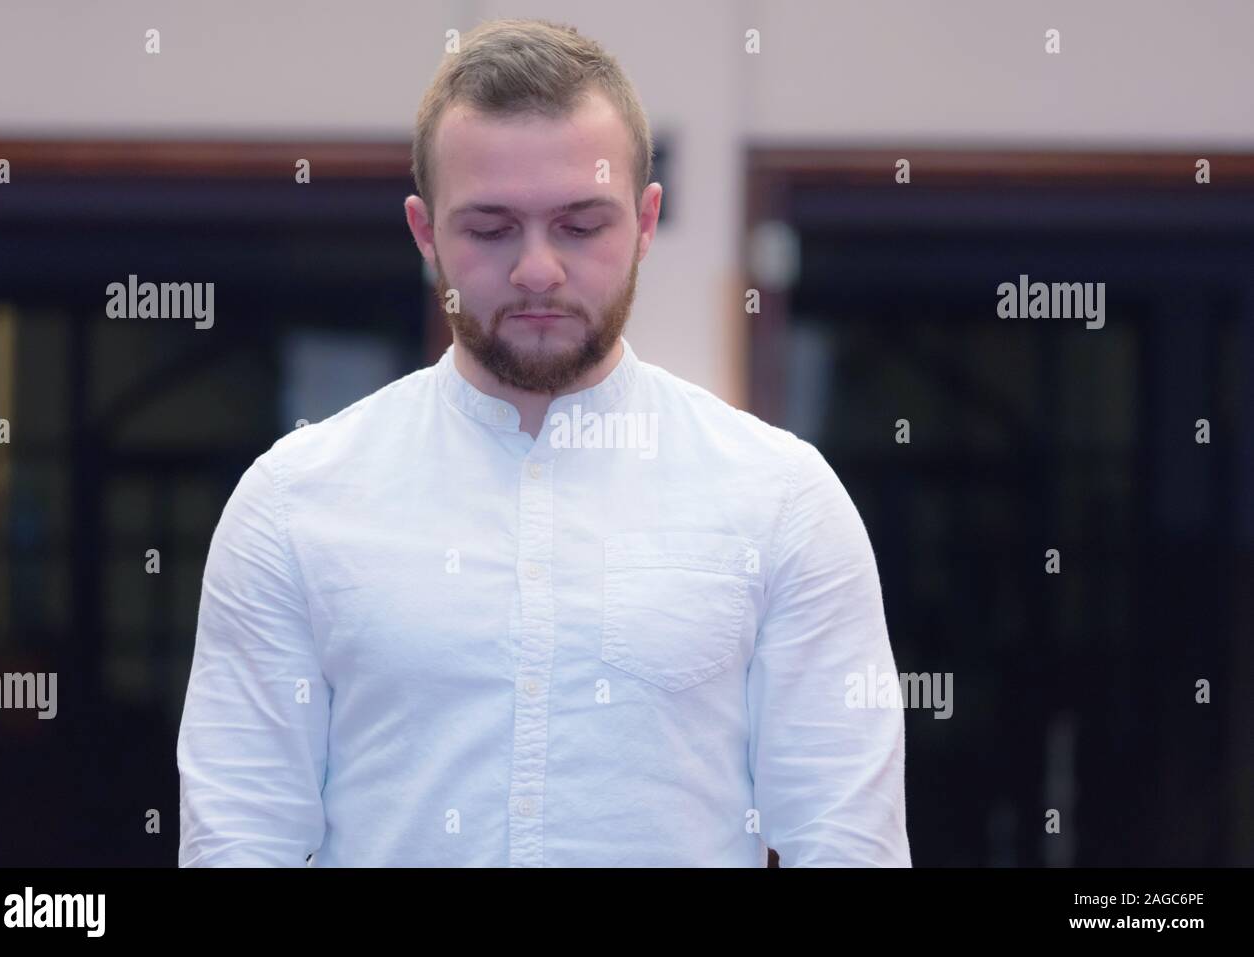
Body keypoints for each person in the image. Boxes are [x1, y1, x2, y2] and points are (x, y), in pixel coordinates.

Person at [177, 17, 910, 867]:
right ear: (424, 234)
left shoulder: (782, 500)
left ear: (645, 220)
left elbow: (846, 845)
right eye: (490, 228)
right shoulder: (291, 506)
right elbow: (240, 841)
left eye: (579, 225)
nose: (536, 269)